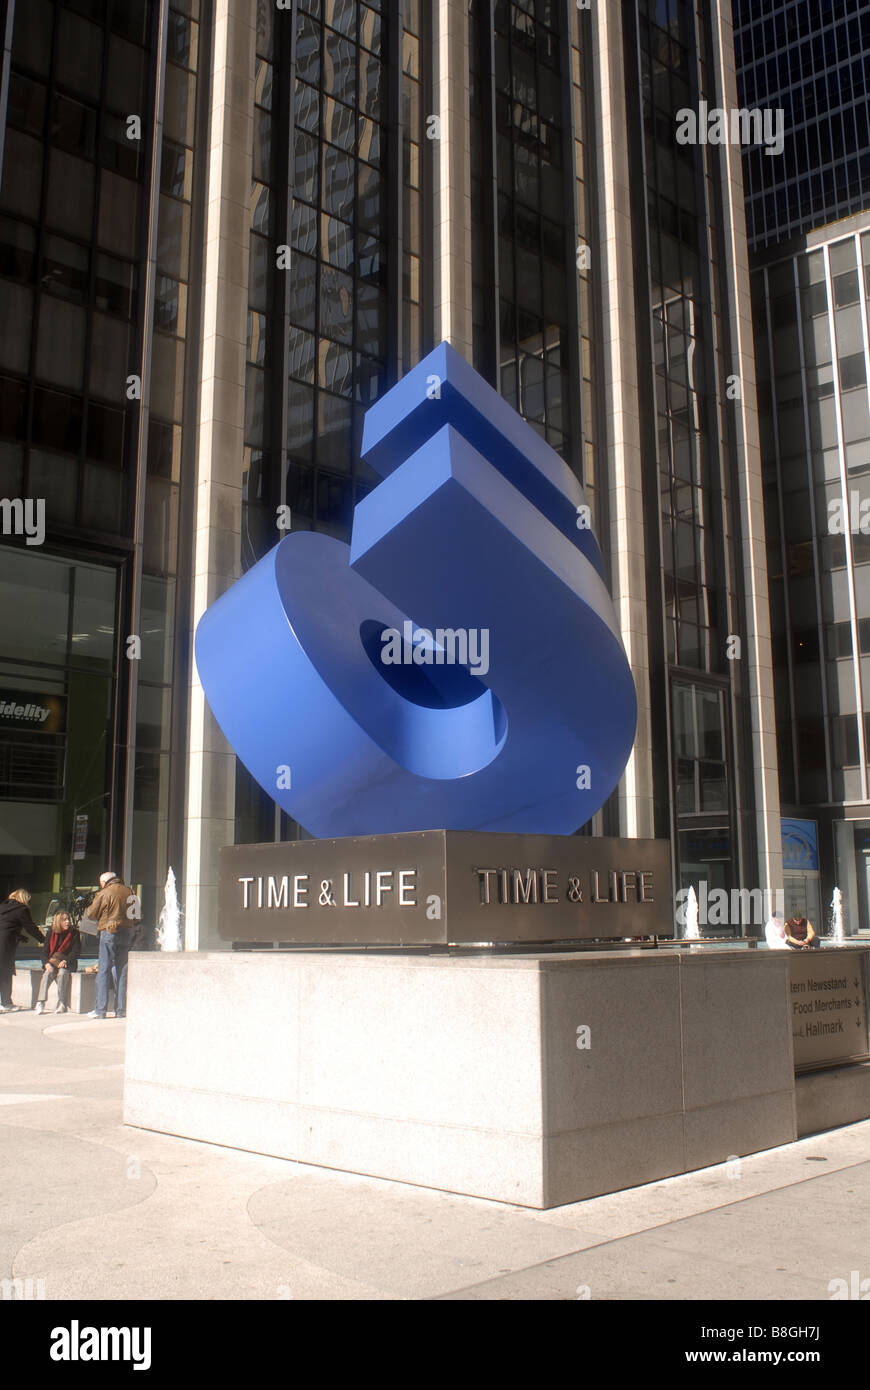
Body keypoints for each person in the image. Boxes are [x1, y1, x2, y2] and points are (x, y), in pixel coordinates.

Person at [87, 870, 140, 1019]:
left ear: (104, 882)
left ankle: (100, 1009)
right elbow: (136, 915)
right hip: (127, 932)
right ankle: (120, 1009)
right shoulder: (130, 891)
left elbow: (91, 914)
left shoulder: (104, 893)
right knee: (122, 970)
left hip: (109, 931)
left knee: (104, 969)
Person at [0, 889, 44, 1012]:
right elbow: (30, 927)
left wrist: (19, 936)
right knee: (6, 974)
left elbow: (6, 925)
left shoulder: (2, 907)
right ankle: (6, 1003)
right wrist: (44, 939)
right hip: (5, 945)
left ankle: (5, 1003)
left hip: (3, 941)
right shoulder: (21, 909)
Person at [35, 910, 81, 1014]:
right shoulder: (51, 933)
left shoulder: (74, 933)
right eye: (64, 920)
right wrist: (46, 964)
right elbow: (44, 953)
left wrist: (66, 961)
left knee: (62, 973)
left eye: (68, 919)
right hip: (53, 962)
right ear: (58, 922)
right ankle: (40, 1002)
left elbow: (76, 951)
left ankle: (62, 1003)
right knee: (47, 974)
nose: (67, 922)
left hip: (68, 962)